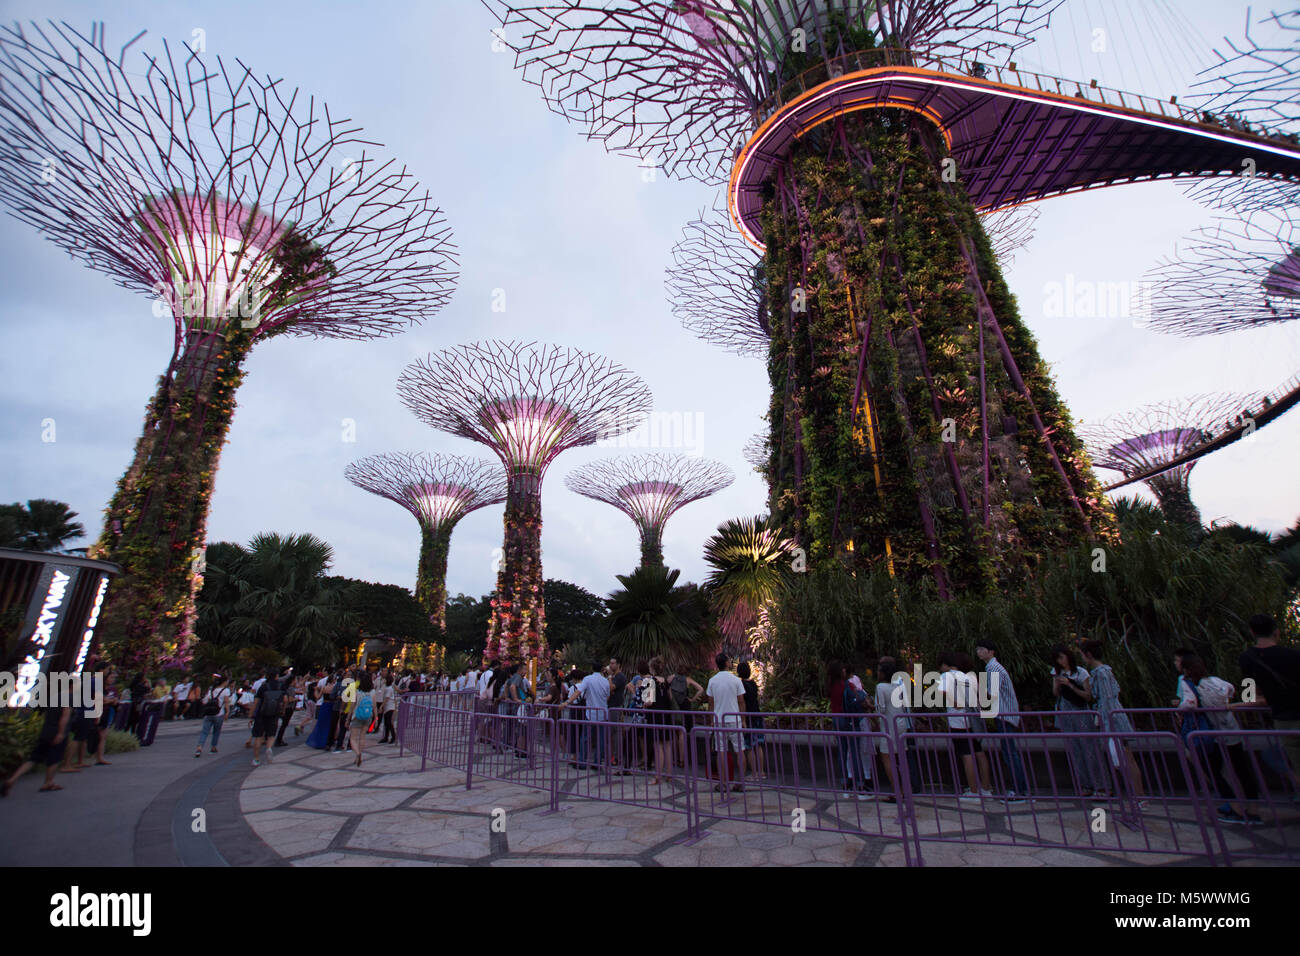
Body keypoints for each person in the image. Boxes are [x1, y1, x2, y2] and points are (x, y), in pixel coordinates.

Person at [1177, 654, 1261, 825]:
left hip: (1212, 733)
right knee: (1241, 769)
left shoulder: (1189, 683)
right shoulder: (1216, 680)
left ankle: (1236, 808)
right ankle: (1253, 811)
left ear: (1186, 669)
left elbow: (1190, 703)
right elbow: (1231, 689)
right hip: (1231, 728)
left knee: (1212, 771)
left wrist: (1179, 708)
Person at [1238, 614, 1300, 789]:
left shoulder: (1246, 658)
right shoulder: (1293, 655)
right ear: (1276, 631)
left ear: (1252, 632)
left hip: (1283, 720)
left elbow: (1249, 694)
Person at [1078, 641, 1145, 802]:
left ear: (1088, 654)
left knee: (1126, 758)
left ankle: (1140, 796)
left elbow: (1107, 699)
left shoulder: (1101, 673)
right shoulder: (1102, 671)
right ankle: (1138, 795)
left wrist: (1103, 719)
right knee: (1126, 758)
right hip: (1112, 716)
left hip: (1112, 719)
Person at [974, 639, 1028, 802]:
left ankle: (1019, 790)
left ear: (991, 652)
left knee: (1010, 752)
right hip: (1004, 713)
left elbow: (992, 693)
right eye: (978, 649)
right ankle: (1019, 789)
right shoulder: (991, 667)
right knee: (1009, 751)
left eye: (982, 649)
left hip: (1005, 714)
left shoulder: (993, 668)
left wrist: (977, 689)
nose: (979, 652)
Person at [1050, 645, 1104, 796]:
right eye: (1057, 659)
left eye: (1062, 657)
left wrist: (1070, 684)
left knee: (1090, 749)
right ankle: (1085, 785)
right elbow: (1055, 694)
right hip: (1066, 714)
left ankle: (1100, 785)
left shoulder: (1081, 672)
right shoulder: (1057, 672)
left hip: (1081, 713)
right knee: (1075, 750)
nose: (1060, 661)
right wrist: (1057, 682)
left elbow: (1088, 696)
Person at [940, 651, 993, 800]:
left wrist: (956, 703)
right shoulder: (968, 677)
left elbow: (942, 692)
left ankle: (973, 791)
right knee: (979, 753)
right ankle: (986, 788)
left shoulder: (947, 676)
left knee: (966, 755)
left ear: (947, 664)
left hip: (958, 721)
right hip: (972, 719)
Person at [2, 703, 72, 795]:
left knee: (33, 758)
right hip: (56, 731)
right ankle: (48, 782)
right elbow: (65, 717)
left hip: (45, 731)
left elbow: (40, 712)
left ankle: (12, 779)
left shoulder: (52, 698)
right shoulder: (68, 699)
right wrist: (61, 733)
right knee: (54, 759)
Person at [872, 656, 913, 802]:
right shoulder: (898, 686)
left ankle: (898, 792)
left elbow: (881, 709)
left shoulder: (881, 687)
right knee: (901, 757)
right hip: (901, 723)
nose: (877, 673)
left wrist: (872, 707)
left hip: (889, 725)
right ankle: (905, 789)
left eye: (879, 671)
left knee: (887, 757)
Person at [706, 653, 747, 794]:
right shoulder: (735, 680)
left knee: (721, 751)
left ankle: (723, 783)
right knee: (740, 750)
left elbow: (710, 702)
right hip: (734, 719)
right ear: (727, 663)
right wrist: (743, 720)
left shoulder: (712, 681)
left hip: (719, 720)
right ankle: (740, 782)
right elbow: (741, 701)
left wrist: (711, 719)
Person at [827, 659, 867, 797]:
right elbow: (858, 698)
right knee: (855, 752)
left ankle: (845, 785)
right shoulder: (846, 685)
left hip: (837, 720)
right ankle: (860, 785)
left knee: (842, 752)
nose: (845, 670)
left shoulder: (831, 686)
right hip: (849, 719)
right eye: (842, 669)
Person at [568, 662, 610, 769]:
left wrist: (567, 702)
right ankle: (597, 762)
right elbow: (607, 696)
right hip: (602, 712)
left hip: (590, 712)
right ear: (602, 669)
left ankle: (582, 761)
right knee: (600, 739)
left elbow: (578, 691)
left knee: (585, 738)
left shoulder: (588, 679)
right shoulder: (605, 681)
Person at [666, 665, 703, 768]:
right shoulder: (688, 680)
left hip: (674, 707)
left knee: (674, 733)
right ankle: (682, 760)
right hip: (685, 706)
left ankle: (674, 759)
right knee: (682, 733)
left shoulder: (671, 677)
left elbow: (665, 687)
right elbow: (700, 689)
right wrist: (692, 699)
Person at [737, 661, 766, 781]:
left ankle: (754, 774)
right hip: (756, 715)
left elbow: (741, 701)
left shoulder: (741, 685)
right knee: (758, 744)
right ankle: (762, 772)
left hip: (748, 717)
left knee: (749, 746)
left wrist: (742, 718)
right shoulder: (753, 683)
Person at [250, 668, 284, 767]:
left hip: (261, 713)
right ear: (277, 676)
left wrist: (251, 714)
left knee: (258, 736)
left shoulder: (263, 687)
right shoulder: (280, 686)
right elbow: (285, 699)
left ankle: (256, 759)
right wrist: (283, 709)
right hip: (274, 713)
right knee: (271, 734)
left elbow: (256, 702)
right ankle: (269, 748)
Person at [195, 675, 233, 756]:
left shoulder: (212, 689)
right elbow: (226, 702)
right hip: (219, 713)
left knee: (204, 732)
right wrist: (227, 712)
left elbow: (205, 701)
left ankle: (199, 747)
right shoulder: (226, 690)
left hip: (209, 713)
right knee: (216, 731)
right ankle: (213, 747)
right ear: (224, 682)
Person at [348, 672, 376, 767]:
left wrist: (348, 718)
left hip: (357, 716)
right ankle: (359, 755)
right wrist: (375, 718)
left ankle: (357, 753)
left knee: (353, 738)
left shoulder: (357, 692)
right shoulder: (372, 692)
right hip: (368, 716)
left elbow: (352, 706)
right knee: (362, 737)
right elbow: (374, 706)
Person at [379, 669, 398, 744]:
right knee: (386, 723)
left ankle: (393, 736)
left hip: (389, 707)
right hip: (388, 707)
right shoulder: (388, 688)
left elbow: (387, 698)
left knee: (388, 722)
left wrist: (381, 706)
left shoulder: (389, 689)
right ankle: (386, 737)